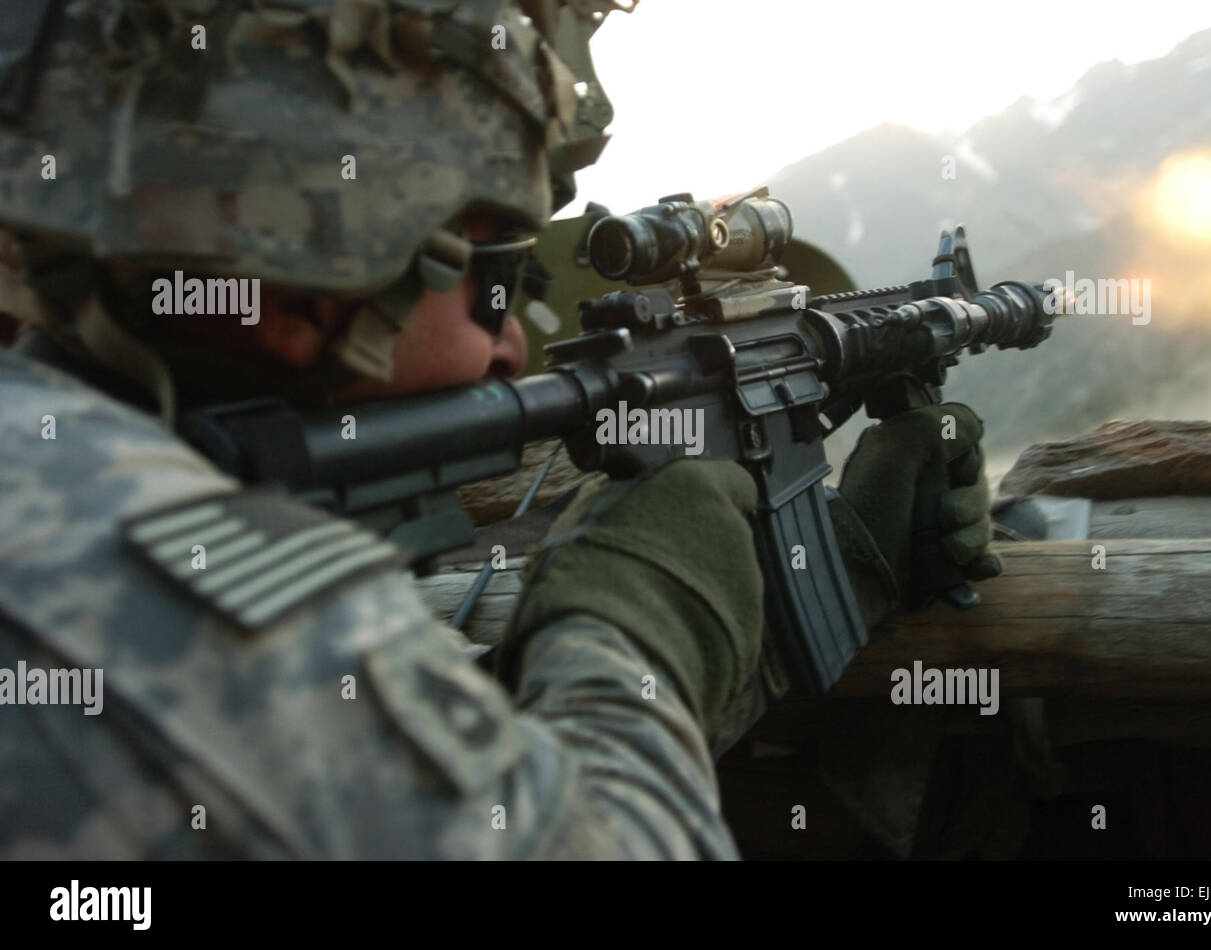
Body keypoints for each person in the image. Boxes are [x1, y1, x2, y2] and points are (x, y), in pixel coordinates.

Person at [0, 0, 998, 859]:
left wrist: (843, 572)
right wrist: (636, 602)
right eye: (498, 284)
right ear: (298, 288)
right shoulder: (178, 600)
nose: (517, 345)